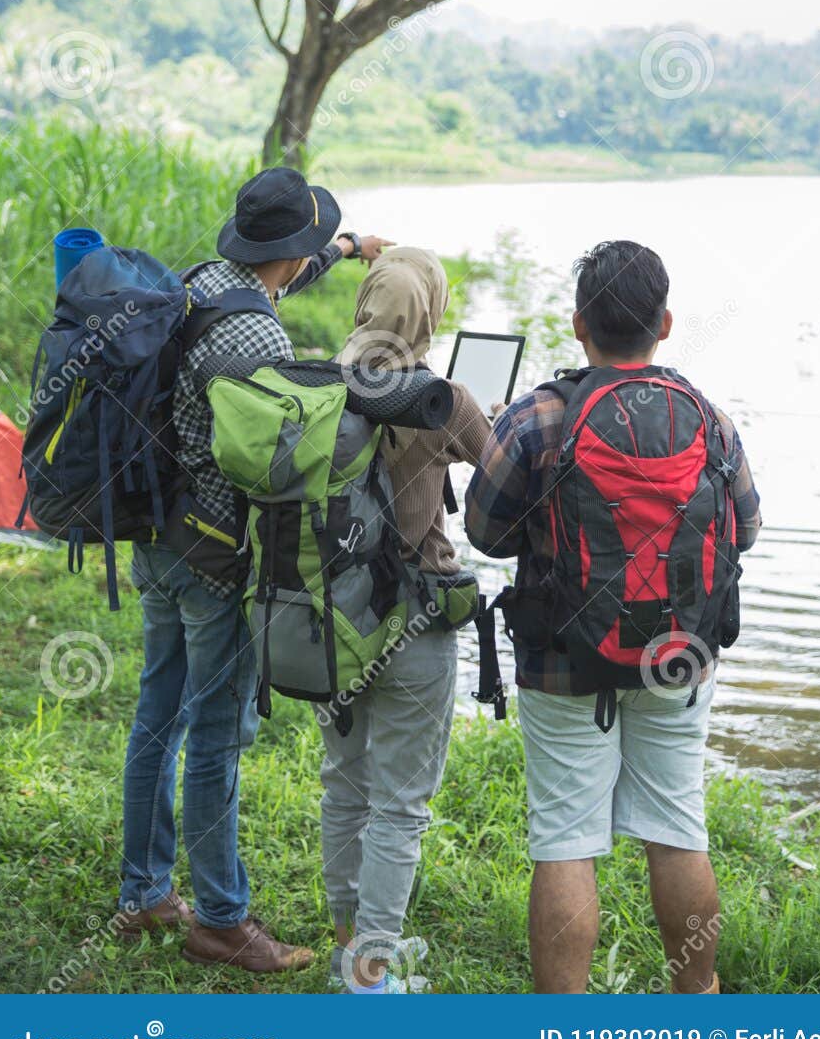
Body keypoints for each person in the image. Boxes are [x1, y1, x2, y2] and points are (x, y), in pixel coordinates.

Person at [465, 240, 762, 995]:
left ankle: (561, 1032)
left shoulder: (537, 419)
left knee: (565, 839)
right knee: (676, 829)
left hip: (563, 658)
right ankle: (696, 1003)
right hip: (679, 655)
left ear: (577, 324)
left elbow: (484, 534)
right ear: (664, 324)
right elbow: (745, 530)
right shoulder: (710, 420)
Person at [118, 166, 390, 973]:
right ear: (290, 247)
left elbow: (282, 273)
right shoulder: (260, 338)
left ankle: (144, 895)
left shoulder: (202, 282)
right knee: (212, 736)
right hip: (210, 554)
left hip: (156, 534)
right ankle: (222, 920)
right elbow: (273, 463)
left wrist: (349, 248)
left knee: (156, 714)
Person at [319, 246, 491, 994]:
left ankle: (348, 937)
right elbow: (508, 471)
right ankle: (372, 972)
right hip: (412, 621)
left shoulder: (313, 384)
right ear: (427, 312)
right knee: (399, 805)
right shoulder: (441, 397)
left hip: (324, 624)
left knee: (344, 785)